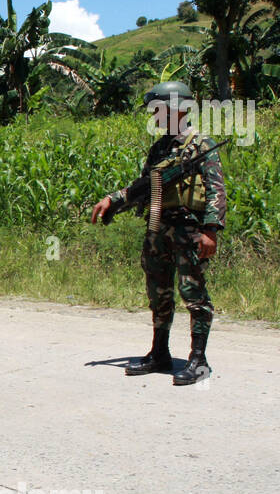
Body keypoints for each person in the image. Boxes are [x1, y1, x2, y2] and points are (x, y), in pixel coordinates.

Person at [90, 81, 227, 386]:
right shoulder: (160, 148)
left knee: (194, 294)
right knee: (158, 293)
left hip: (189, 230)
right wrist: (113, 199)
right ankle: (160, 353)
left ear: (175, 109)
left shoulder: (200, 144)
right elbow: (143, 189)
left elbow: (217, 191)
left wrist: (211, 230)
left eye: (157, 110)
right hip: (157, 227)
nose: (153, 117)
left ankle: (198, 360)